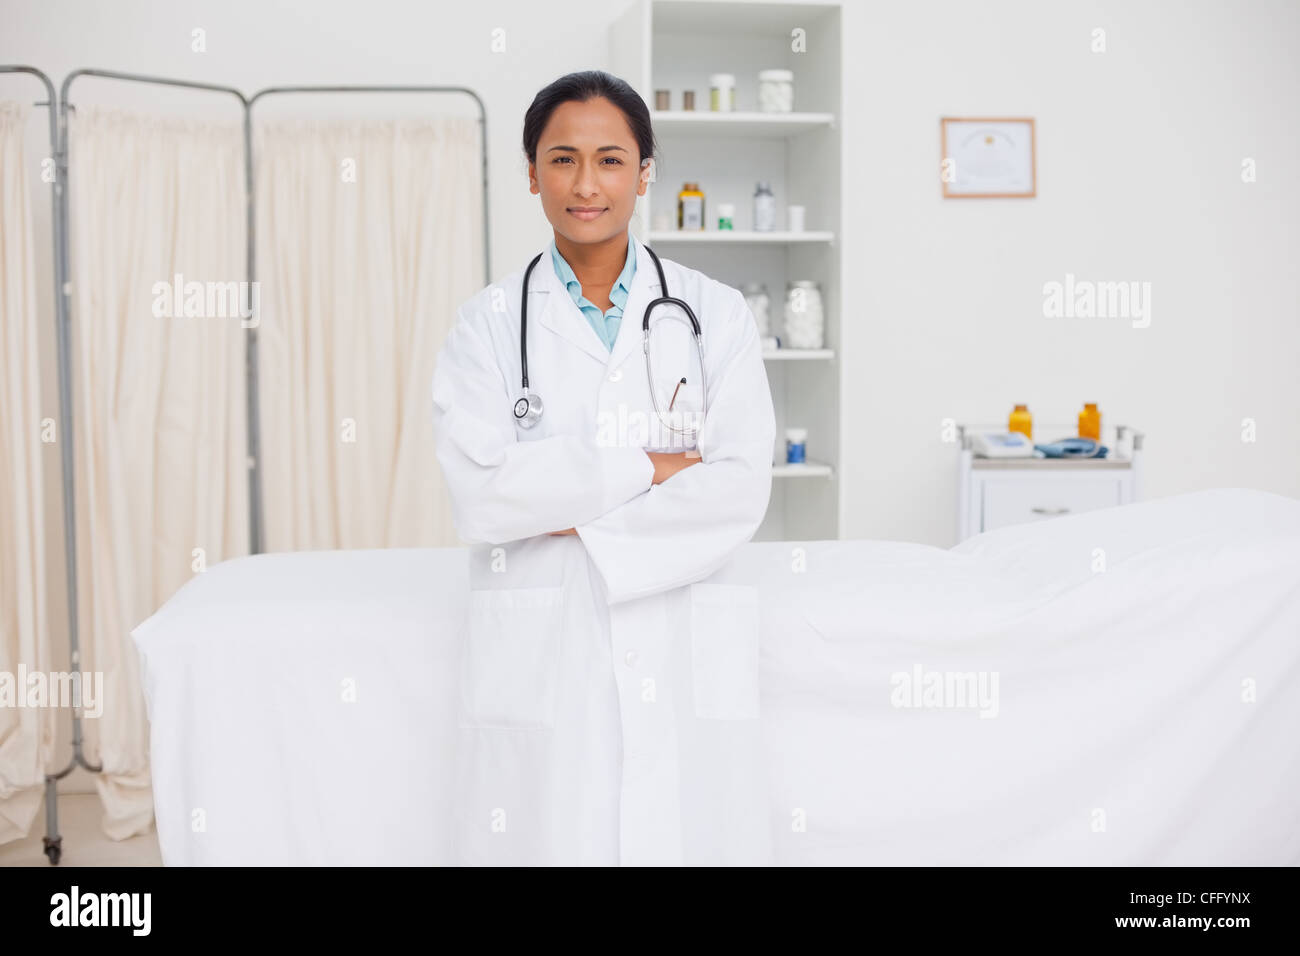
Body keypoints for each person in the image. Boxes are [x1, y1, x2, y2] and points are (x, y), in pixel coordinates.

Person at [430, 69, 776, 865]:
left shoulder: (713, 314)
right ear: (531, 173)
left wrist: (562, 499)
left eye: (611, 160)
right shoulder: (485, 327)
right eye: (562, 159)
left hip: (682, 631)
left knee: (686, 834)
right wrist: (650, 466)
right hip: (544, 645)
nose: (587, 184)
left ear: (644, 174)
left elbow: (735, 487)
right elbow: (483, 497)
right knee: (551, 838)